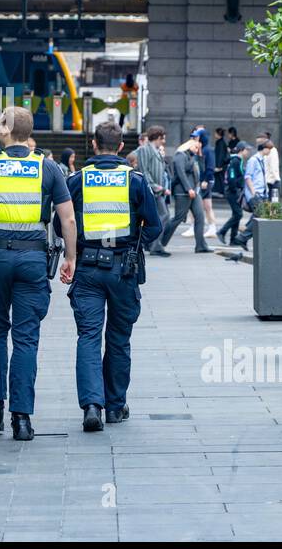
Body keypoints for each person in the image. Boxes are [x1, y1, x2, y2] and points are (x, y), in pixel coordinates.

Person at [0, 106, 76, 443]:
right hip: (34, 259)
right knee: (25, 338)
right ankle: (21, 418)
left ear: (7, 130)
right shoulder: (48, 168)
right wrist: (71, 256)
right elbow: (67, 219)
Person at [61, 121, 160, 431]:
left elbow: (61, 222)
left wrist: (73, 252)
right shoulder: (136, 180)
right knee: (118, 339)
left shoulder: (77, 180)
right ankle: (115, 407)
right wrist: (134, 246)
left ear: (93, 144)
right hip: (123, 270)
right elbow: (155, 225)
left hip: (88, 268)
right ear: (121, 147)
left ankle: (92, 405)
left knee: (88, 336)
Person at [168, 138, 212, 253]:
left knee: (200, 217)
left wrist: (200, 155)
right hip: (183, 191)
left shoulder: (193, 157)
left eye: (198, 148)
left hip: (194, 191)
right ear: (189, 145)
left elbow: (201, 170)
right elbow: (181, 173)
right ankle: (159, 242)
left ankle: (201, 246)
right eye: (196, 147)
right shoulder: (180, 155)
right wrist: (188, 189)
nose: (197, 150)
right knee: (178, 218)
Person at [136, 127, 170, 257]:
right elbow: (144, 170)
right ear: (157, 137)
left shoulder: (155, 150)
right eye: (163, 138)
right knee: (163, 216)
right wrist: (156, 186)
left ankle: (154, 245)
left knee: (162, 216)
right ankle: (154, 245)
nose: (164, 141)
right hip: (152, 190)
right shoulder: (145, 149)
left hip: (158, 190)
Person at [217, 141, 251, 246]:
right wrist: (235, 189)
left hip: (236, 191)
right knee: (238, 214)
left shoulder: (239, 160)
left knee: (236, 214)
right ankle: (222, 231)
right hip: (232, 191)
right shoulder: (235, 161)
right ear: (241, 150)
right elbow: (232, 176)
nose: (248, 152)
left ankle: (233, 239)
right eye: (247, 150)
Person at [262, 133, 282, 202]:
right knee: (274, 202)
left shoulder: (270, 150)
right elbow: (273, 167)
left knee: (272, 201)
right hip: (273, 180)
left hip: (270, 180)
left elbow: (272, 166)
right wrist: (276, 178)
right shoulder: (272, 150)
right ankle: (273, 213)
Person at [213, 127, 229, 196]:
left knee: (220, 178)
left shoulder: (220, 143)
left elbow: (220, 155)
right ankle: (220, 191)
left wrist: (218, 166)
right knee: (220, 178)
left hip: (221, 165)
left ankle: (221, 192)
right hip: (221, 164)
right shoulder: (220, 142)